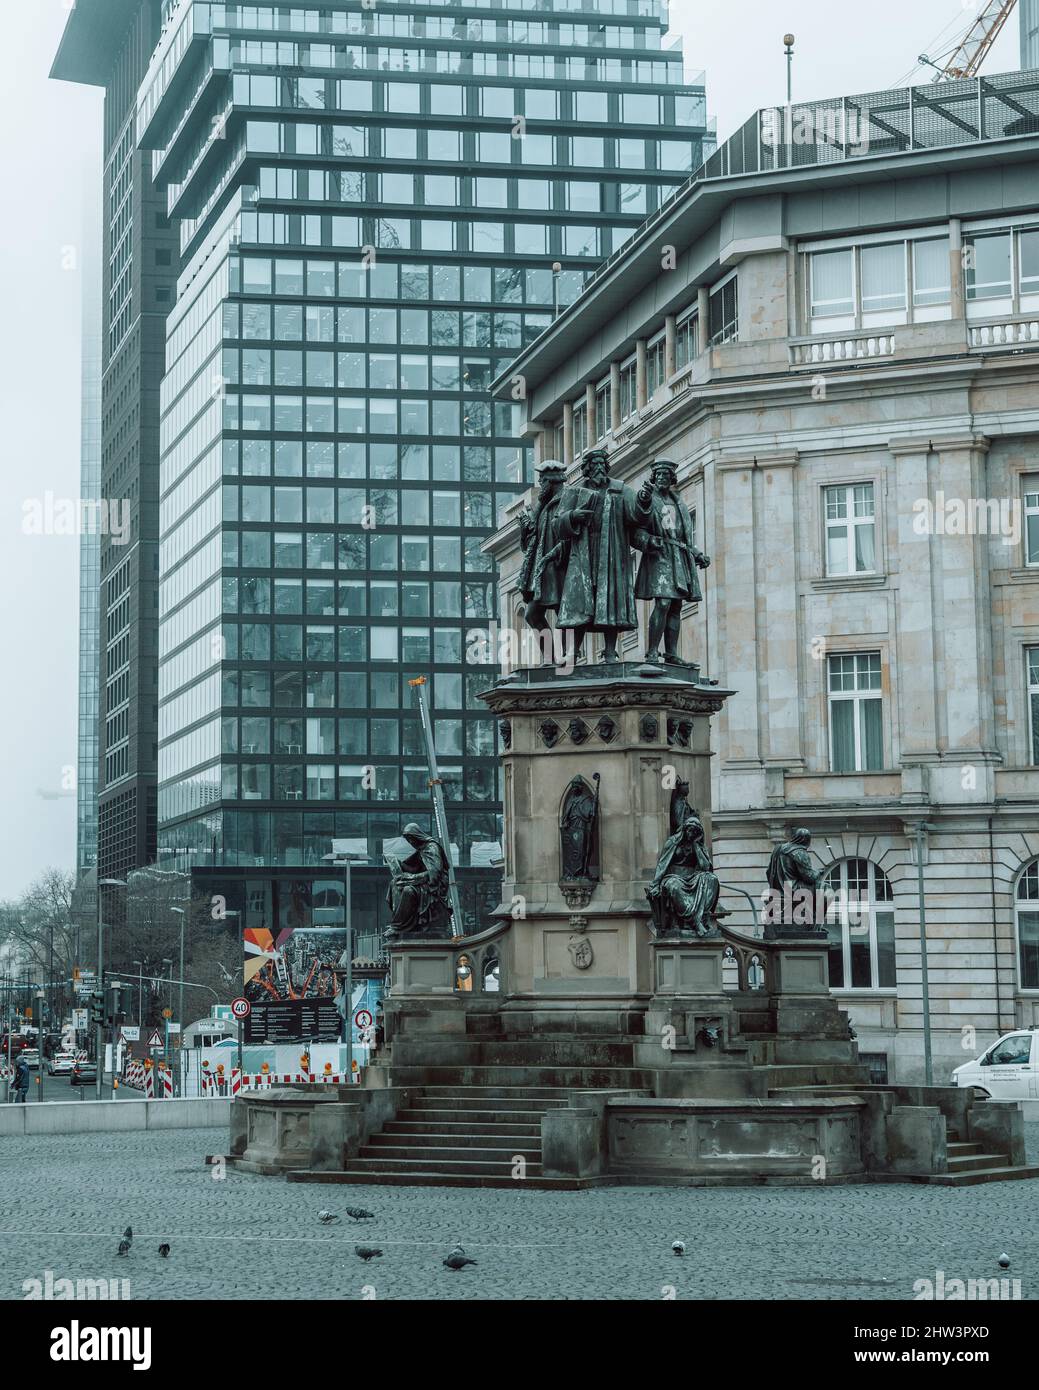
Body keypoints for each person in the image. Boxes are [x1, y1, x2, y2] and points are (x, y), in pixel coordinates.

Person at [633, 459, 710, 664]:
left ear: (671, 479)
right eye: (658, 475)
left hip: (679, 556)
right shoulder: (650, 500)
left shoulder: (678, 501)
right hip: (660, 555)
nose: (662, 479)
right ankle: (651, 651)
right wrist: (649, 540)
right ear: (654, 478)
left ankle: (671, 653)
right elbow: (637, 527)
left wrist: (696, 553)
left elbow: (684, 536)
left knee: (676, 605)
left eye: (666, 476)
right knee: (664, 602)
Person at [384, 824, 453, 939]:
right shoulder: (421, 850)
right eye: (408, 840)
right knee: (394, 884)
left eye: (411, 839)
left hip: (433, 887)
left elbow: (434, 874)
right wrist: (395, 863)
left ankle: (398, 926)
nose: (410, 842)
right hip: (422, 883)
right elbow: (414, 868)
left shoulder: (431, 848)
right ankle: (400, 923)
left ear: (417, 836)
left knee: (408, 890)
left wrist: (410, 878)